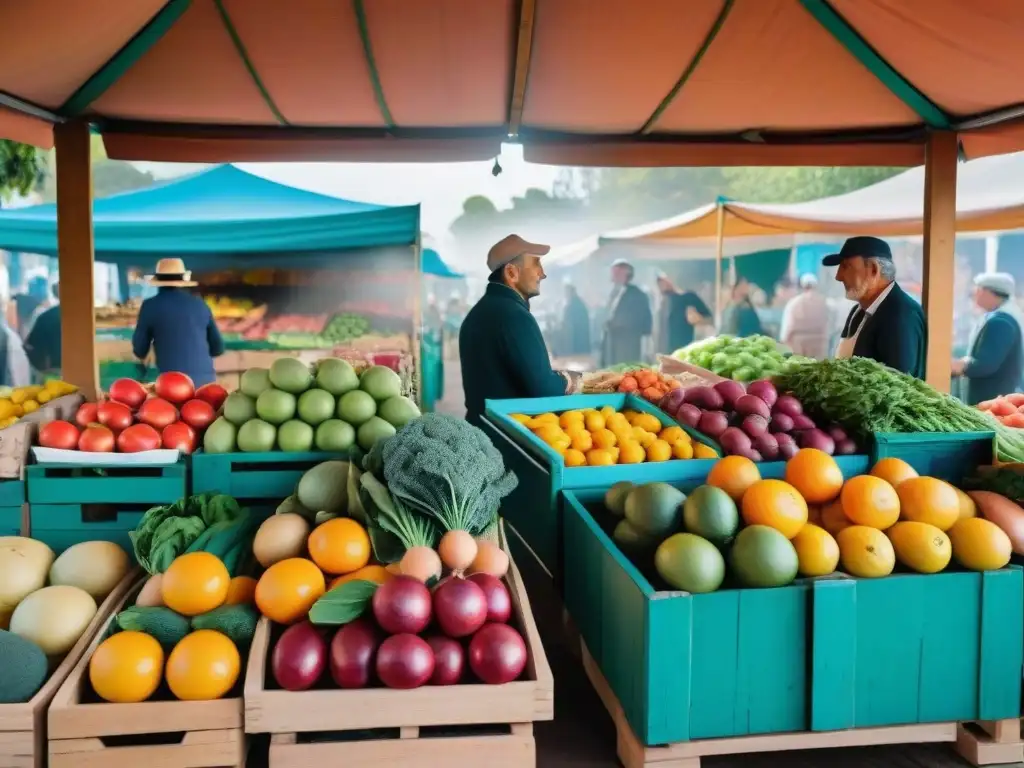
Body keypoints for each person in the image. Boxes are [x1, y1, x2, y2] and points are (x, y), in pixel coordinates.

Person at [459, 235, 581, 426]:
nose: (542, 274)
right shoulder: (513, 316)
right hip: (506, 435)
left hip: (483, 428)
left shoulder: (479, 312)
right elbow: (543, 389)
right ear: (511, 273)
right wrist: (572, 380)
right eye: (536, 264)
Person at [825, 236, 926, 378]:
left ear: (873, 269)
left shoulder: (901, 315)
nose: (838, 276)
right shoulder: (858, 311)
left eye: (846, 266)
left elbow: (896, 384)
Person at [132, 258, 225, 386]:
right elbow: (218, 348)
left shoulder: (150, 306)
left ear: (158, 280)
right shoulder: (200, 304)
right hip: (205, 384)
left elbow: (139, 350)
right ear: (182, 279)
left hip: (171, 385)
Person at [952, 273, 1024, 405]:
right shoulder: (995, 318)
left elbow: (986, 364)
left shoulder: (1000, 322)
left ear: (989, 292)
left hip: (994, 402)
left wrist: (960, 366)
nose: (974, 294)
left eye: (978, 290)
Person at [601, 259, 652, 366]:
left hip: (628, 343)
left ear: (626, 273)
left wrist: (617, 323)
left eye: (616, 271)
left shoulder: (637, 294)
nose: (613, 275)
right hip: (611, 341)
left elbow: (641, 319)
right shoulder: (613, 293)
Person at [656, 272, 712, 353]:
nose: (663, 286)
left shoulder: (689, 297)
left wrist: (698, 319)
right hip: (668, 352)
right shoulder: (663, 304)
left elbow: (710, 319)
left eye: (664, 281)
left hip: (687, 350)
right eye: (660, 284)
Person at [779, 274, 830, 358]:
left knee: (800, 364)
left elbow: (788, 325)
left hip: (799, 343)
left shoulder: (794, 302)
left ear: (802, 286)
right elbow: (828, 323)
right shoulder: (825, 302)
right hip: (819, 341)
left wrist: (783, 341)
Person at [24, 282, 61, 376]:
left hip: (54, 373)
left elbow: (30, 345)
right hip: (85, 369)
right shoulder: (88, 316)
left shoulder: (46, 317)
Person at [559, 282, 591, 357]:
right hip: (578, 337)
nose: (566, 295)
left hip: (578, 337)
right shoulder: (576, 302)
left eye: (567, 292)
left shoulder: (575, 303)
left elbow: (569, 318)